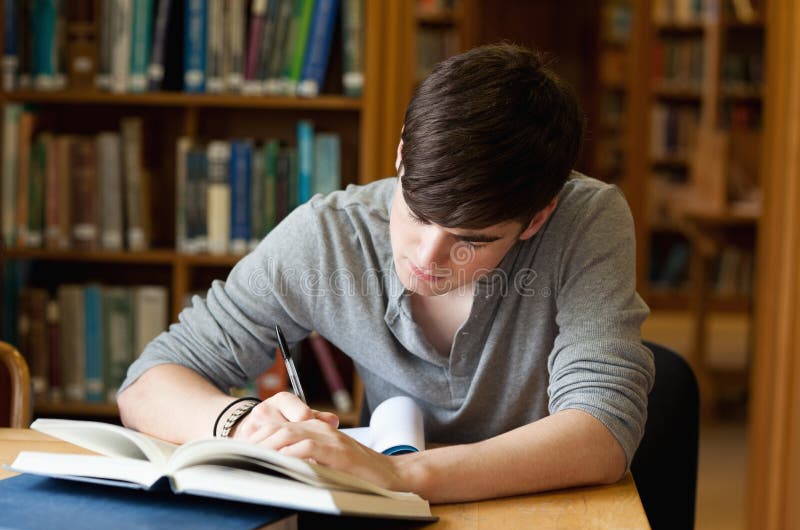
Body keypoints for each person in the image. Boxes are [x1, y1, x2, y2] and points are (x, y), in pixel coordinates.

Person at [118, 43, 654, 503]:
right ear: (401, 156)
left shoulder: (588, 220)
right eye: (417, 214)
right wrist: (239, 423)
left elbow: (604, 431)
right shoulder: (329, 237)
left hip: (536, 511)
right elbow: (146, 385)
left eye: (472, 240)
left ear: (537, 219)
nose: (427, 257)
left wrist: (401, 475)